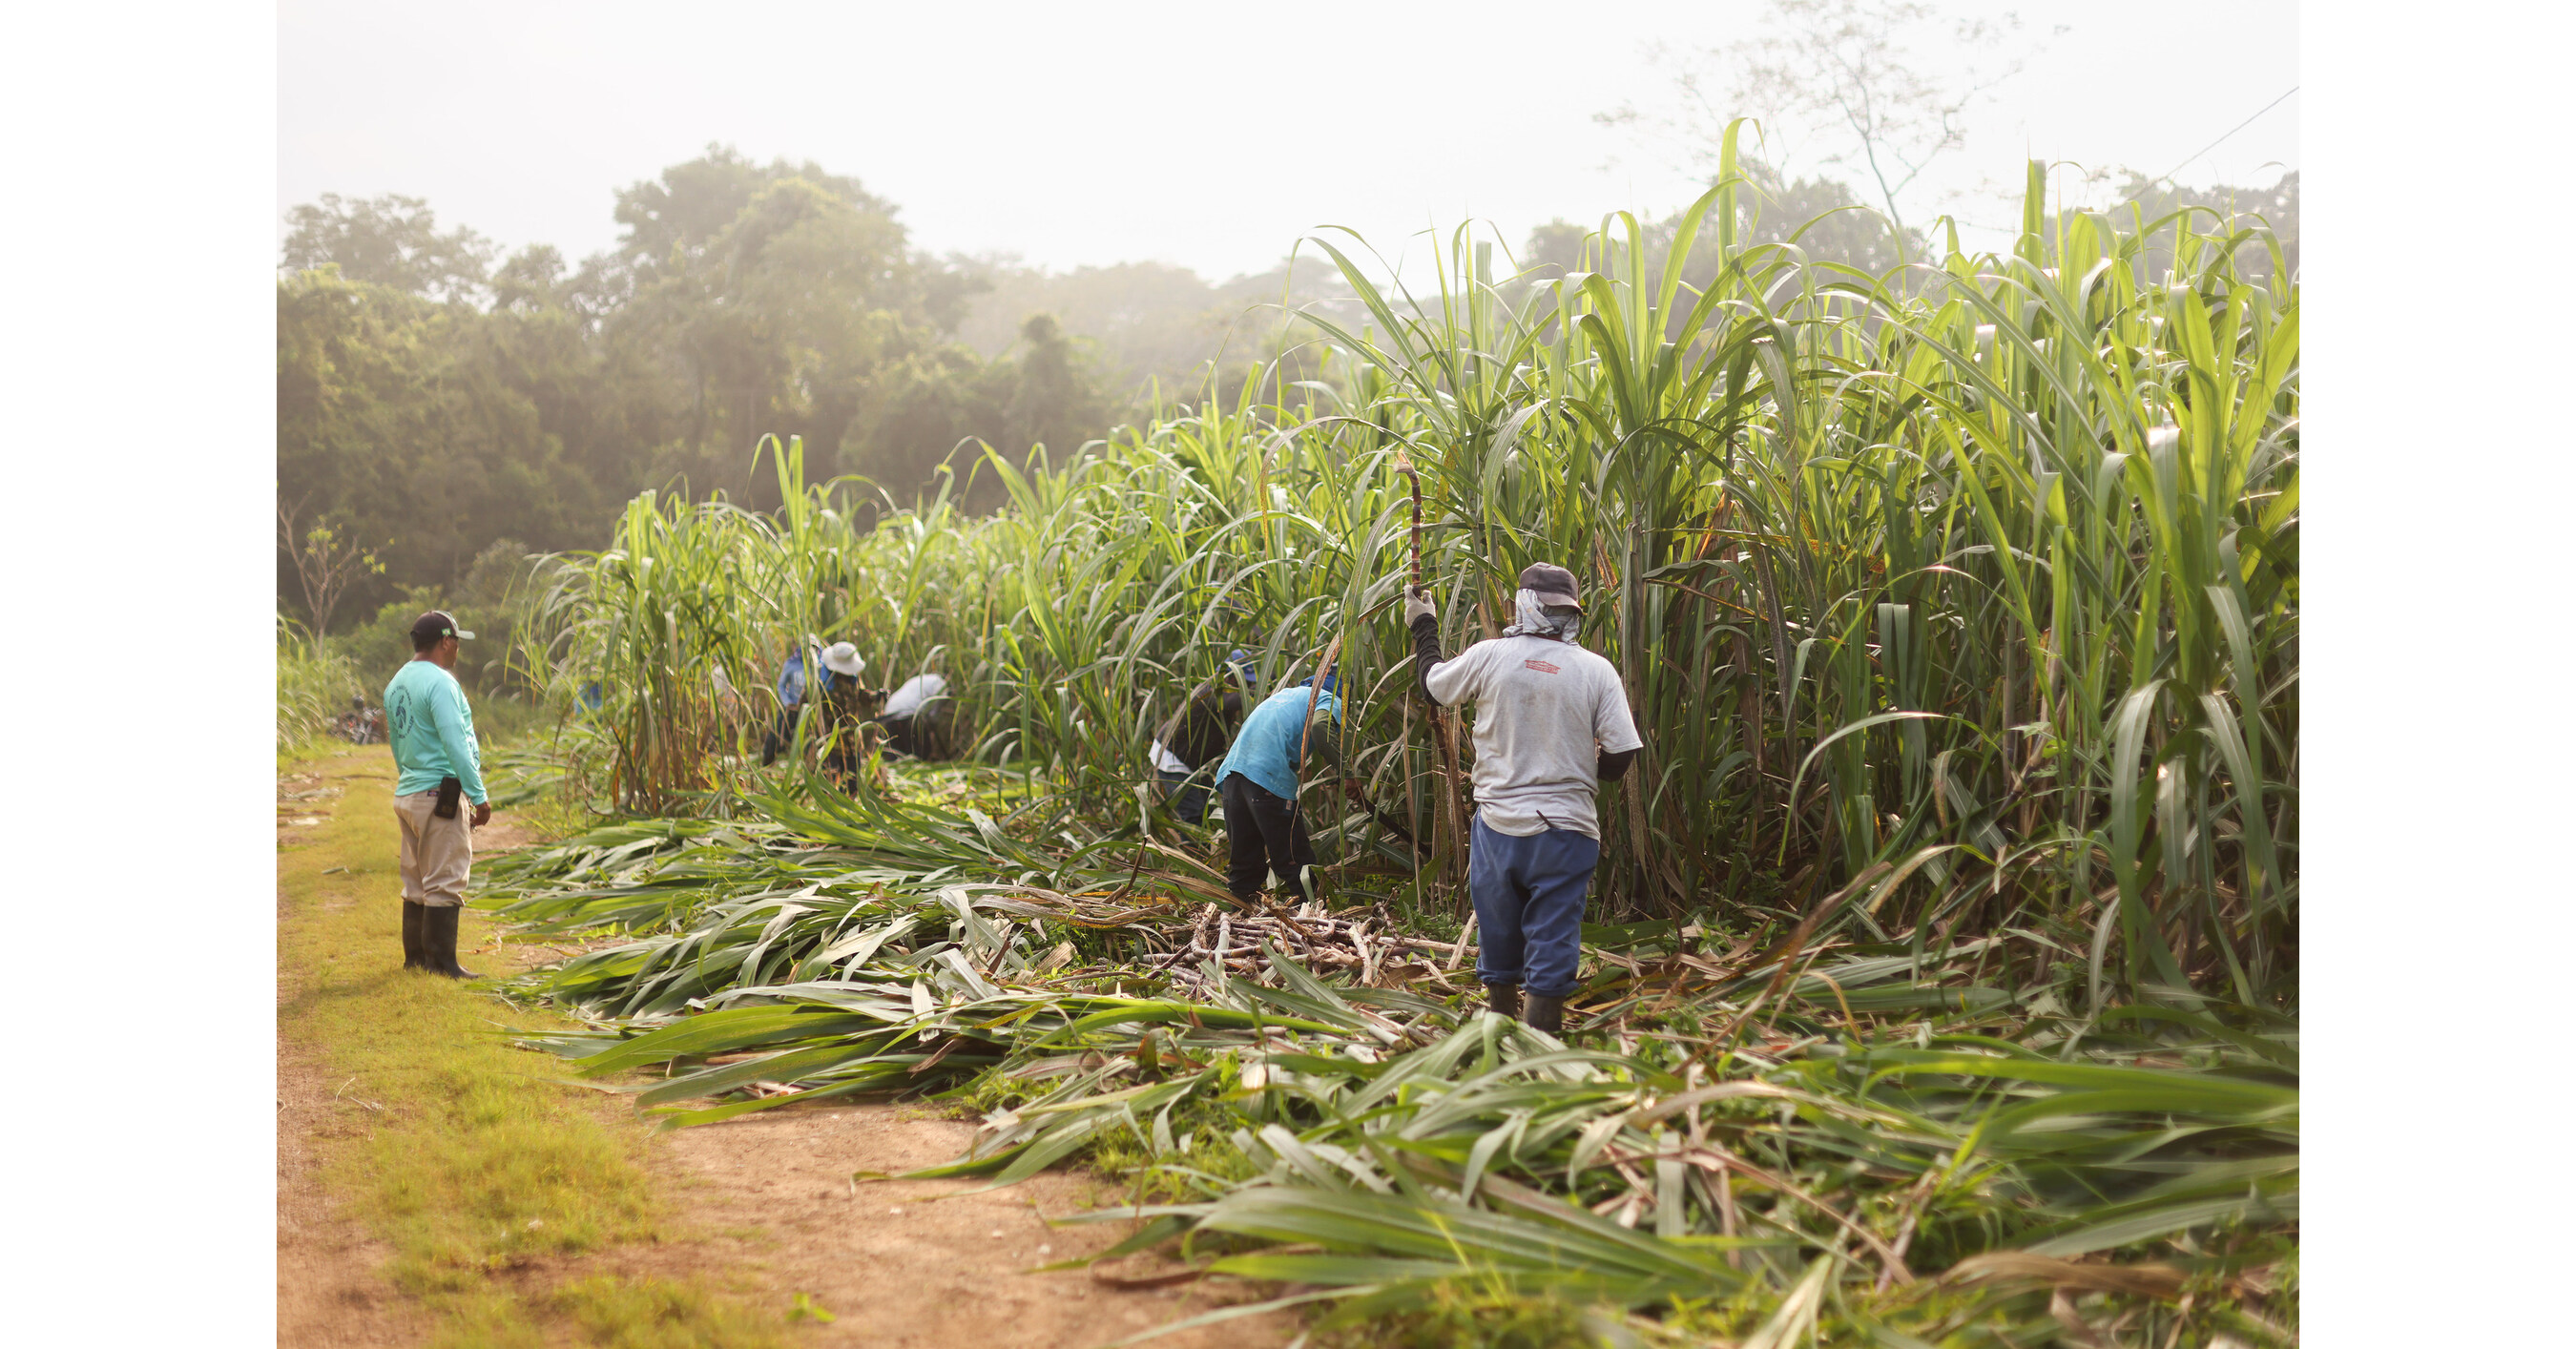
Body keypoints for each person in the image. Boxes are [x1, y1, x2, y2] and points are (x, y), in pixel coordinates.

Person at [1403, 562, 1642, 1034]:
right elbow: (1619, 757)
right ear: (1572, 614)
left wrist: (1423, 625)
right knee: (1553, 934)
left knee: (1498, 927)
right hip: (1568, 833)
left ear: (1523, 604)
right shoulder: (1596, 670)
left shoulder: (1492, 655)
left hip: (1498, 827)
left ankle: (1500, 1033)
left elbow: (1432, 687)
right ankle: (1542, 1040)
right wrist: (1572, 766)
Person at [384, 610, 492, 979]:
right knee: (445, 879)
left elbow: (398, 742)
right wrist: (478, 796)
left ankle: (416, 958)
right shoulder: (442, 682)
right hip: (438, 796)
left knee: (416, 881)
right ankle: (443, 964)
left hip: (409, 793)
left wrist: (410, 781)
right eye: (457, 640)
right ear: (446, 641)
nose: (458, 647)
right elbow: (456, 742)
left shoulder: (396, 683)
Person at [1208, 669, 1347, 906]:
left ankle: (1234, 919)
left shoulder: (1286, 695)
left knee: (1244, 867)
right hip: (1266, 779)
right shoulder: (1328, 696)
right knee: (1295, 861)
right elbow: (1321, 728)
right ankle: (1313, 916)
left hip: (1233, 776)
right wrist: (1347, 773)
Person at [1150, 650, 1254, 824]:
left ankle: (1204, 848)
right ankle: (1190, 852)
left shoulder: (1220, 696)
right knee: (1193, 814)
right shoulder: (1210, 693)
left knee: (1210, 807)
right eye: (1244, 683)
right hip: (1174, 759)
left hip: (1195, 762)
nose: (1247, 688)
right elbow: (1234, 701)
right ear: (1228, 677)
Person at [816, 642, 883, 779]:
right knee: (832, 781)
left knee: (853, 780)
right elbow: (808, 703)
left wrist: (876, 696)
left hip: (853, 739)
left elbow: (861, 695)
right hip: (831, 740)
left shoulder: (854, 679)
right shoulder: (822, 682)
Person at [879, 668, 952, 758]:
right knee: (922, 752)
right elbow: (933, 714)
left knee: (896, 753)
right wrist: (933, 723)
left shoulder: (920, 679)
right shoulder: (941, 684)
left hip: (890, 711)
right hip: (909, 713)